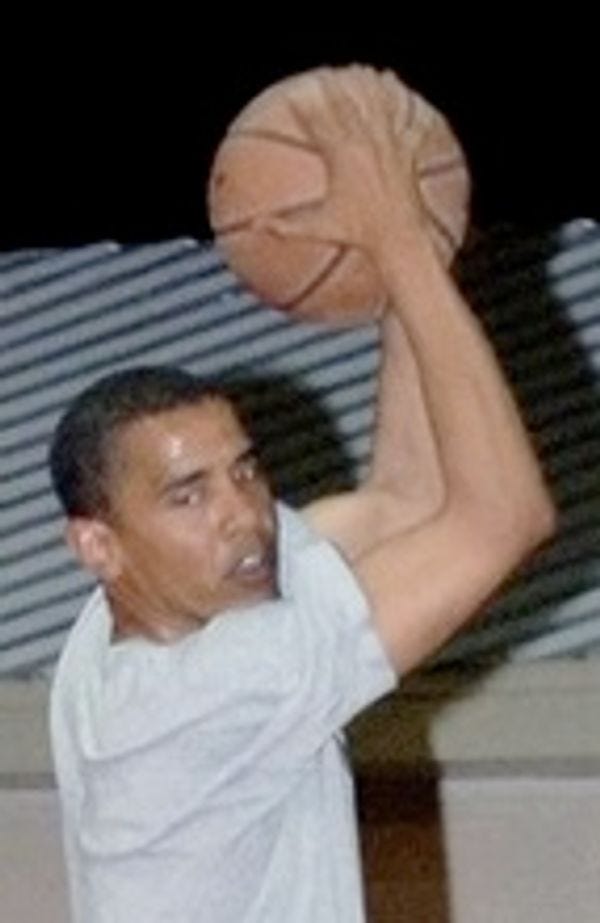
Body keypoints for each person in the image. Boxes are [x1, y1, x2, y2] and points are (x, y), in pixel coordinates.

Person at [48, 67, 555, 923]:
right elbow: (506, 516)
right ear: (98, 544)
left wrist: (414, 270)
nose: (242, 513)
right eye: (187, 495)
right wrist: (397, 238)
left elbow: (409, 498)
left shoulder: (126, 628)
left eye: (244, 469)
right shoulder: (207, 692)